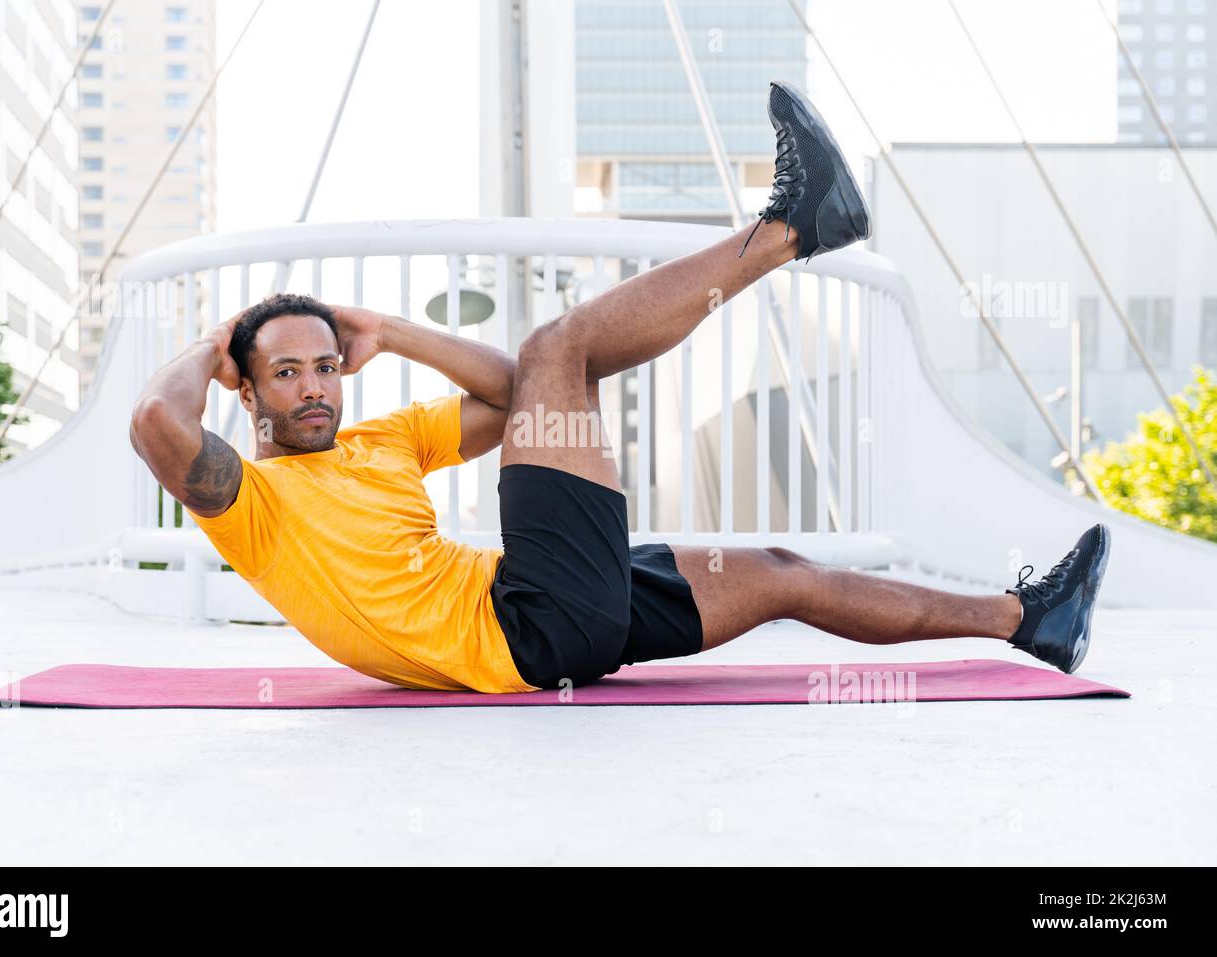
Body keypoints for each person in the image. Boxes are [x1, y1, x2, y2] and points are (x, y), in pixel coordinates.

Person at [128, 81, 1110, 694]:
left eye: (326, 366)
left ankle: (1029, 623)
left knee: (778, 571)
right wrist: (214, 341)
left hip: (553, 607)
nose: (315, 388)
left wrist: (395, 333)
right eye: (286, 373)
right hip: (529, 625)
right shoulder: (249, 506)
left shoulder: (381, 443)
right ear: (244, 394)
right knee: (565, 341)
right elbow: (152, 421)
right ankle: (791, 231)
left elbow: (526, 399)